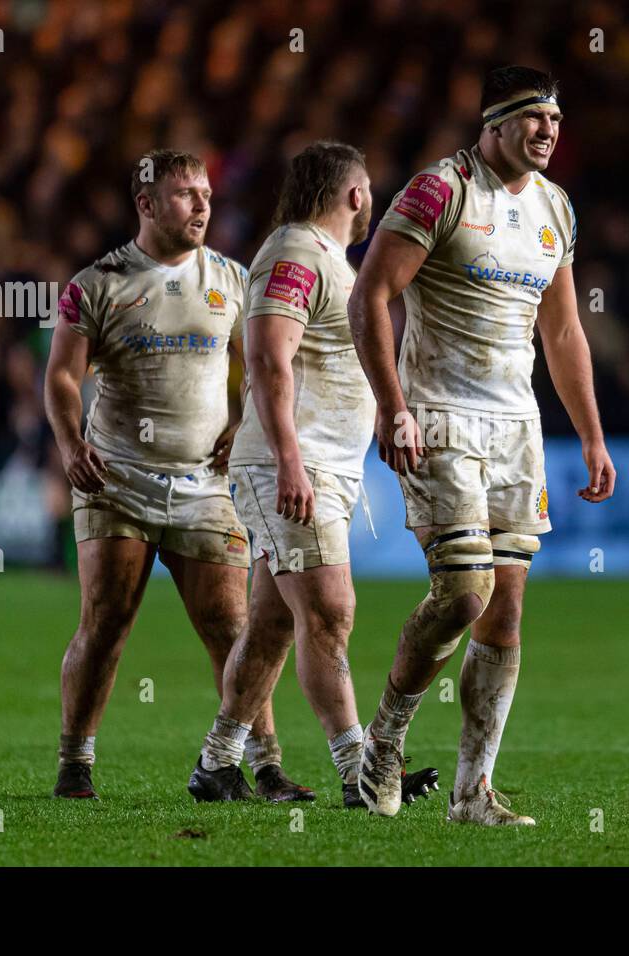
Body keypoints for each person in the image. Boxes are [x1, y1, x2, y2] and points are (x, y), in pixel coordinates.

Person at [348, 66, 616, 824]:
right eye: (534, 119)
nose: (548, 132)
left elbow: (562, 331)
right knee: (466, 593)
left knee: (504, 616)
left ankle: (473, 793)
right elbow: (371, 293)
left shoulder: (556, 209)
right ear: (493, 123)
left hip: (516, 429)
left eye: (556, 121)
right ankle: (386, 742)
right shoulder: (441, 191)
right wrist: (389, 406)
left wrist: (592, 435)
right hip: (436, 415)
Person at [44, 149, 308, 801]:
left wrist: (243, 422)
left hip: (204, 485)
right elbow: (60, 376)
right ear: (147, 205)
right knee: (106, 621)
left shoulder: (233, 279)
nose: (202, 205)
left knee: (232, 626)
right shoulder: (99, 283)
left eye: (207, 194)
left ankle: (266, 766)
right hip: (117, 481)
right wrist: (72, 442)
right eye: (186, 193)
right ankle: (75, 764)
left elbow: (266, 368)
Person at [187, 141, 438, 808]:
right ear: (356, 195)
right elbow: (270, 360)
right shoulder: (295, 253)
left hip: (312, 466)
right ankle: (362, 772)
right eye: (369, 193)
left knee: (273, 624)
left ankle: (217, 765)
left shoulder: (321, 260)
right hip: (290, 467)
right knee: (330, 609)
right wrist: (290, 462)